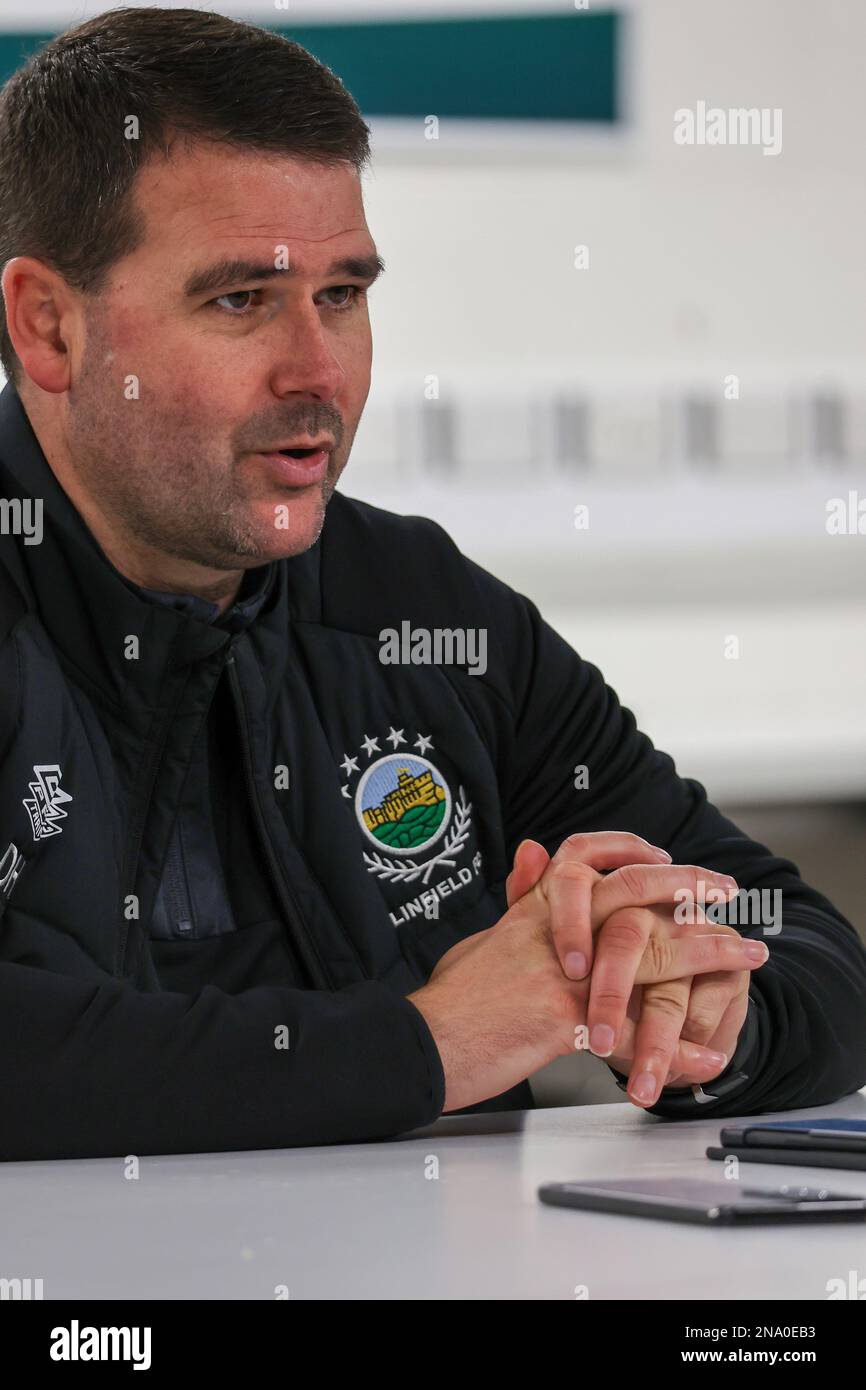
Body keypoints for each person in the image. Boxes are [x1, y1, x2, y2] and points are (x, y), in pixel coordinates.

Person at [0, 7, 862, 1161]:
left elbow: (801, 940)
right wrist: (433, 1042)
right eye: (240, 300)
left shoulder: (418, 609)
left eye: (343, 295)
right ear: (48, 328)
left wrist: (706, 1005)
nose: (318, 372)